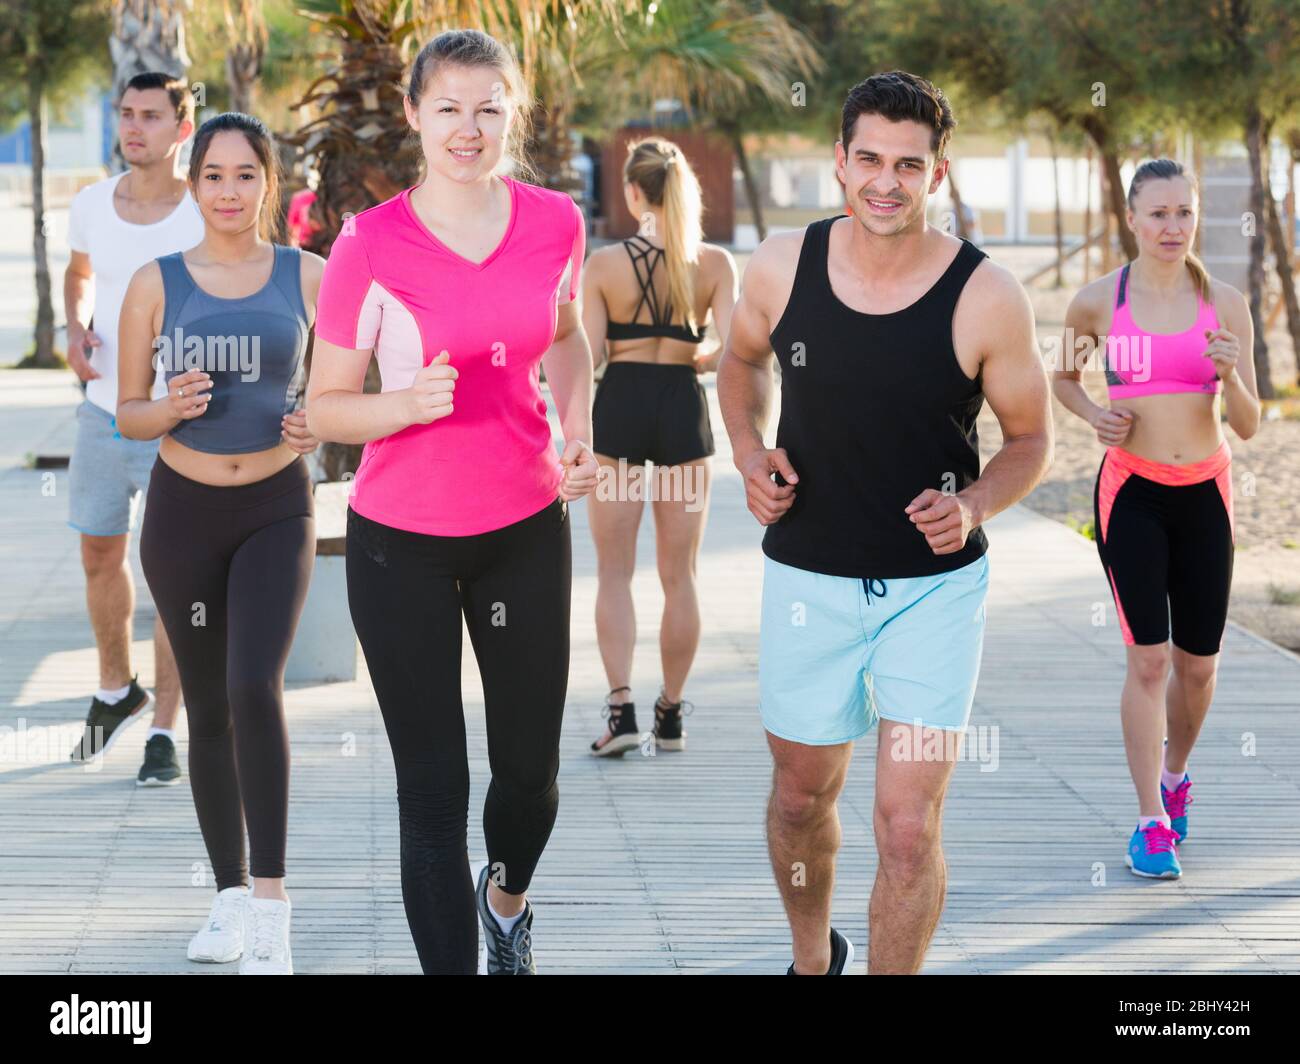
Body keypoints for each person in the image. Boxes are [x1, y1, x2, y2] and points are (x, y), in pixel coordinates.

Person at [717, 71, 1052, 974]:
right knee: (799, 798)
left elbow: (1031, 439)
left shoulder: (988, 296)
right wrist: (749, 453)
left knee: (907, 829)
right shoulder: (781, 265)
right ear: (838, 161)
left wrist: (975, 504)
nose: (886, 182)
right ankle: (809, 960)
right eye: (869, 159)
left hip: (935, 597)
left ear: (936, 174)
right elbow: (740, 363)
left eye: (909, 165)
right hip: (806, 585)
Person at [307, 28, 597, 975]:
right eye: (448, 109)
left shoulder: (556, 220)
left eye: (488, 109)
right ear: (413, 115)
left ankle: (505, 901)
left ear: (513, 113)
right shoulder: (370, 244)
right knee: (432, 791)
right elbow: (323, 407)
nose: (468, 130)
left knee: (529, 778)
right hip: (401, 547)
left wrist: (577, 426)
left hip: (525, 527)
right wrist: (401, 405)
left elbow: (564, 338)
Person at [117, 112, 325, 974]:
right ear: (193, 182)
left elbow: (361, 381)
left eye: (246, 175)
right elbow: (128, 410)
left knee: (253, 686)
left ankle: (272, 907)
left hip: (277, 505)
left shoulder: (308, 275)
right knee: (206, 704)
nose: (229, 191)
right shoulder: (154, 282)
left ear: (268, 184)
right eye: (213, 175)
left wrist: (323, 421)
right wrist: (169, 407)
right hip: (181, 513)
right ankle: (229, 899)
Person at [1055, 158, 1260, 879]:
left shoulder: (1224, 301)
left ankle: (1175, 778)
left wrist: (1231, 374)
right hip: (1131, 493)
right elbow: (1064, 378)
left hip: (1205, 494)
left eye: (1184, 213)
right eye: (1159, 213)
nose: (1173, 227)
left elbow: (1251, 423)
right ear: (1133, 219)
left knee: (1197, 670)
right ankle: (1148, 822)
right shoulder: (1096, 303)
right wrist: (1093, 415)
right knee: (1149, 659)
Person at [64, 73, 204, 783]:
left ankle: (163, 732)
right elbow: (80, 271)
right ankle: (118, 690)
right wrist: (73, 323)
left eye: (152, 116)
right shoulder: (93, 202)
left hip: (176, 421)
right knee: (97, 554)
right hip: (100, 413)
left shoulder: (203, 209)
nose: (134, 126)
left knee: (171, 575)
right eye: (126, 113)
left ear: (183, 128)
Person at [581, 138, 737, 757]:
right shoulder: (714, 262)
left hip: (619, 406)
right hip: (679, 408)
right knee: (680, 576)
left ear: (631, 193)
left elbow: (589, 358)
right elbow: (742, 345)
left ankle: (621, 712)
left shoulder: (603, 265)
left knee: (614, 572)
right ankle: (669, 714)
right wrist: (698, 355)